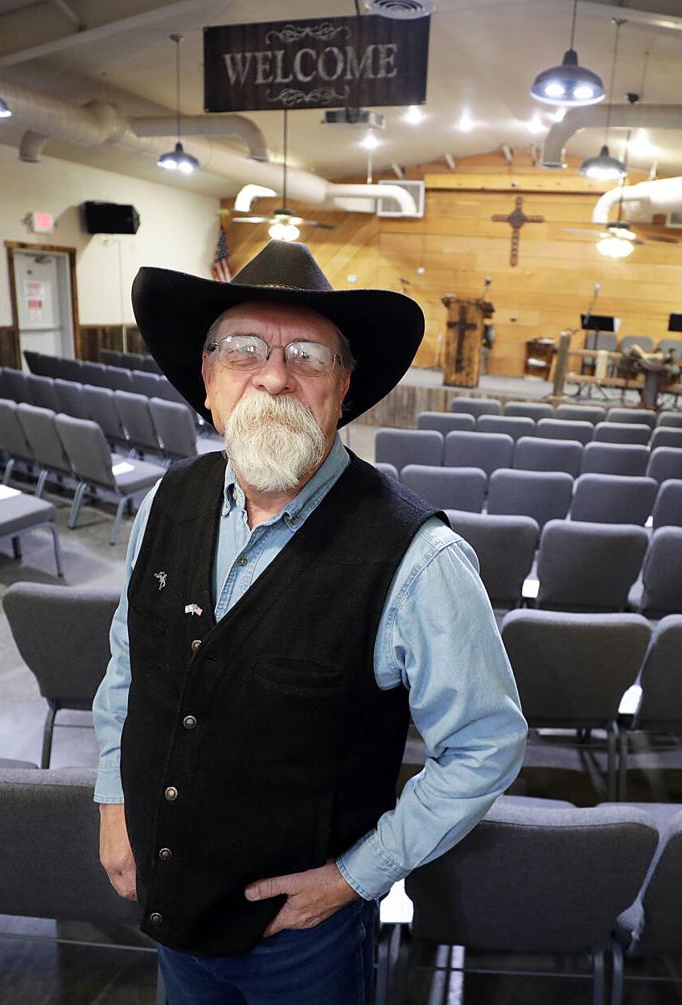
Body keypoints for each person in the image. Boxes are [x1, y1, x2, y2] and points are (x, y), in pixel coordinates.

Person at [92, 240, 527, 1004]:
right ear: (207, 376)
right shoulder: (163, 502)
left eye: (307, 355)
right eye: (243, 349)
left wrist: (354, 876)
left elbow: (485, 743)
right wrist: (113, 800)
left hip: (304, 941)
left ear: (343, 385)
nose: (273, 375)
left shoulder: (419, 558)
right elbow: (129, 665)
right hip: (169, 905)